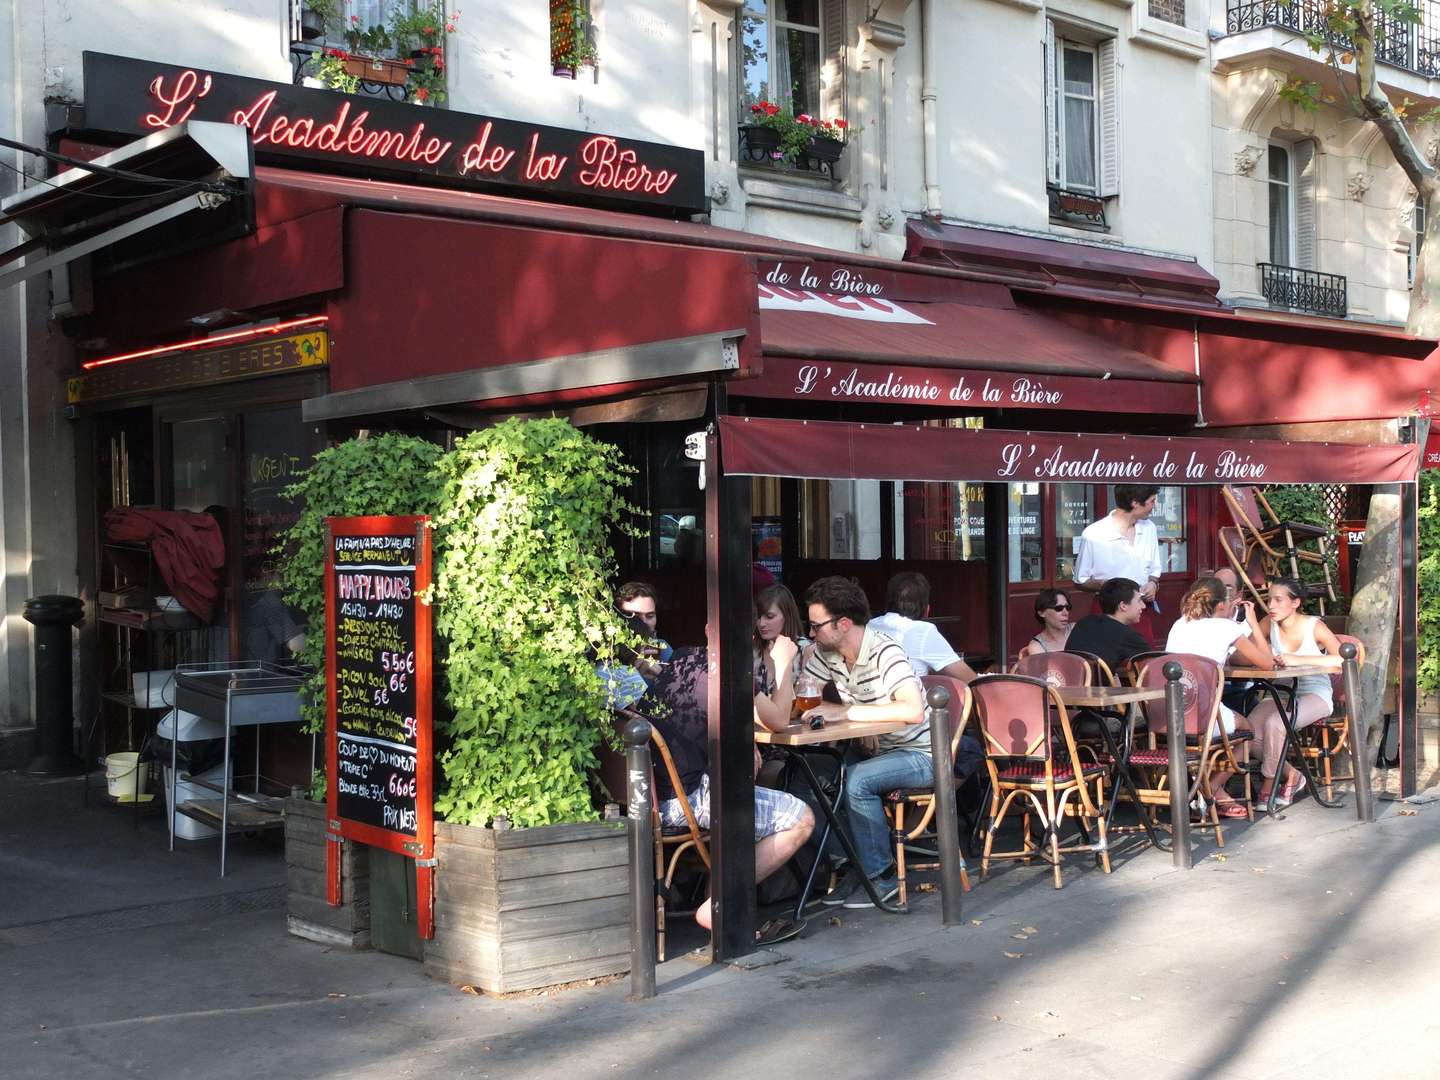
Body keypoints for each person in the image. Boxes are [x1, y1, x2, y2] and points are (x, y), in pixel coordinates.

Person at [614, 582, 814, 943]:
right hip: (685, 801)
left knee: (747, 782)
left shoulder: (679, 661)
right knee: (801, 818)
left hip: (648, 798)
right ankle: (719, 904)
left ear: (708, 630)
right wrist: (782, 664)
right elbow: (780, 720)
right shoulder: (727, 671)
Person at [800, 576, 926, 907]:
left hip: (919, 753)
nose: (811, 634)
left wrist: (848, 713)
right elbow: (802, 694)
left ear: (842, 624)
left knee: (856, 780)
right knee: (808, 776)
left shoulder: (885, 649)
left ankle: (880, 877)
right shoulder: (827, 653)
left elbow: (912, 710)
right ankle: (853, 864)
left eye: (816, 626)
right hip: (874, 750)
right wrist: (786, 664)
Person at [1164, 576, 1274, 818]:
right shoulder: (1227, 627)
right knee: (1247, 732)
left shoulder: (1179, 623)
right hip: (1204, 716)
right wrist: (1254, 622)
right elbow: (1267, 663)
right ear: (1223, 606)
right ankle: (1210, 788)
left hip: (1168, 716)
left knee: (1223, 733)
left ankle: (1209, 788)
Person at [1249, 576, 1343, 810]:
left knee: (1276, 723)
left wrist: (1297, 659)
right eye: (1269, 599)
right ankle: (1293, 776)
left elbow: (1343, 658)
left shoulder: (1314, 625)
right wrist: (1255, 633)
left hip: (1315, 693)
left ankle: (1268, 787)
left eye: (1278, 600)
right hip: (1282, 691)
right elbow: (1241, 655)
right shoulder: (1266, 624)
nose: (1270, 606)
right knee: (1246, 733)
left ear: (1296, 602)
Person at [1074, 485, 1164, 642]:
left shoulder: (1149, 528)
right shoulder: (1094, 534)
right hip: (1108, 611)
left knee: (1143, 661)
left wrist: (1153, 583)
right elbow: (1080, 580)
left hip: (1140, 610)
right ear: (1135, 503)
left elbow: (1154, 570)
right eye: (1152, 501)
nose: (1154, 506)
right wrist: (1107, 585)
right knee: (1106, 661)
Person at [868, 571, 977, 682]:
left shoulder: (868, 625)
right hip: (908, 697)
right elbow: (969, 679)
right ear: (927, 610)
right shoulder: (922, 630)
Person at [1065, 577, 1151, 674]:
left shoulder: (1084, 622)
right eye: (1139, 601)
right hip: (1098, 689)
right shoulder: (1127, 635)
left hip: (1066, 685)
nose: (1143, 606)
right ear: (1123, 606)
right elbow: (1155, 666)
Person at [1017, 588, 1073, 660]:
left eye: (1068, 607)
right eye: (1058, 608)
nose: (1066, 613)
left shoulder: (1077, 630)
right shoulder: (1036, 646)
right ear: (1042, 613)